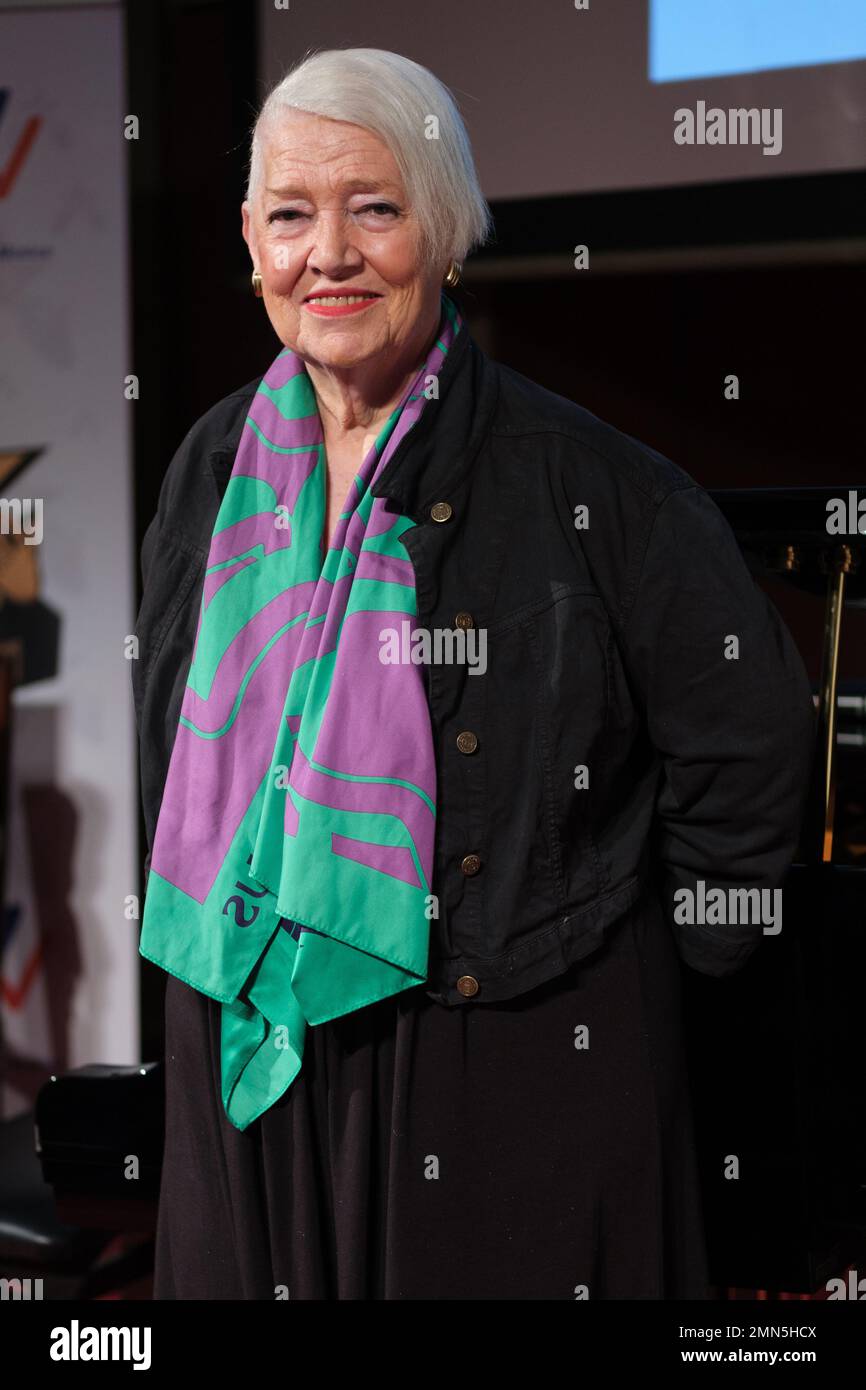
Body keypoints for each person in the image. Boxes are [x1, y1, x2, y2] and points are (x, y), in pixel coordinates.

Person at [131, 46, 816, 1300]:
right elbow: (169, 727)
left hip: (502, 1057)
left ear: (444, 232)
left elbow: (751, 751)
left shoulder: (591, 483)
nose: (325, 253)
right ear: (249, 241)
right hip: (242, 1035)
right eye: (290, 214)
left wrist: (623, 980)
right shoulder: (212, 461)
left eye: (373, 208)